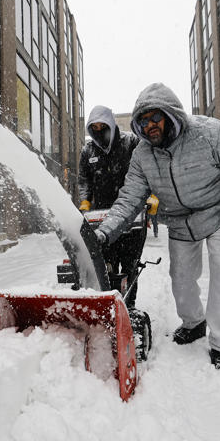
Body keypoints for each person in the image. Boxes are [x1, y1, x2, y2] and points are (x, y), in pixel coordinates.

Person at [93, 83, 220, 389]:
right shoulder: (142, 155)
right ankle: (194, 322)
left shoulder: (212, 135)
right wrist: (103, 232)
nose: (150, 126)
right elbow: (129, 199)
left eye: (156, 118)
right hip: (179, 219)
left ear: (171, 114)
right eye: (143, 121)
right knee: (180, 277)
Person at [78, 105, 144, 307]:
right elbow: (84, 180)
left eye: (103, 126)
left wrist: (151, 196)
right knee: (107, 265)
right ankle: (112, 304)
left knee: (130, 264)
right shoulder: (88, 151)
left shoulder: (131, 143)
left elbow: (146, 169)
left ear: (112, 124)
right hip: (102, 218)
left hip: (132, 215)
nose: (99, 130)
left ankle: (129, 306)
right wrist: (85, 201)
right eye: (94, 127)